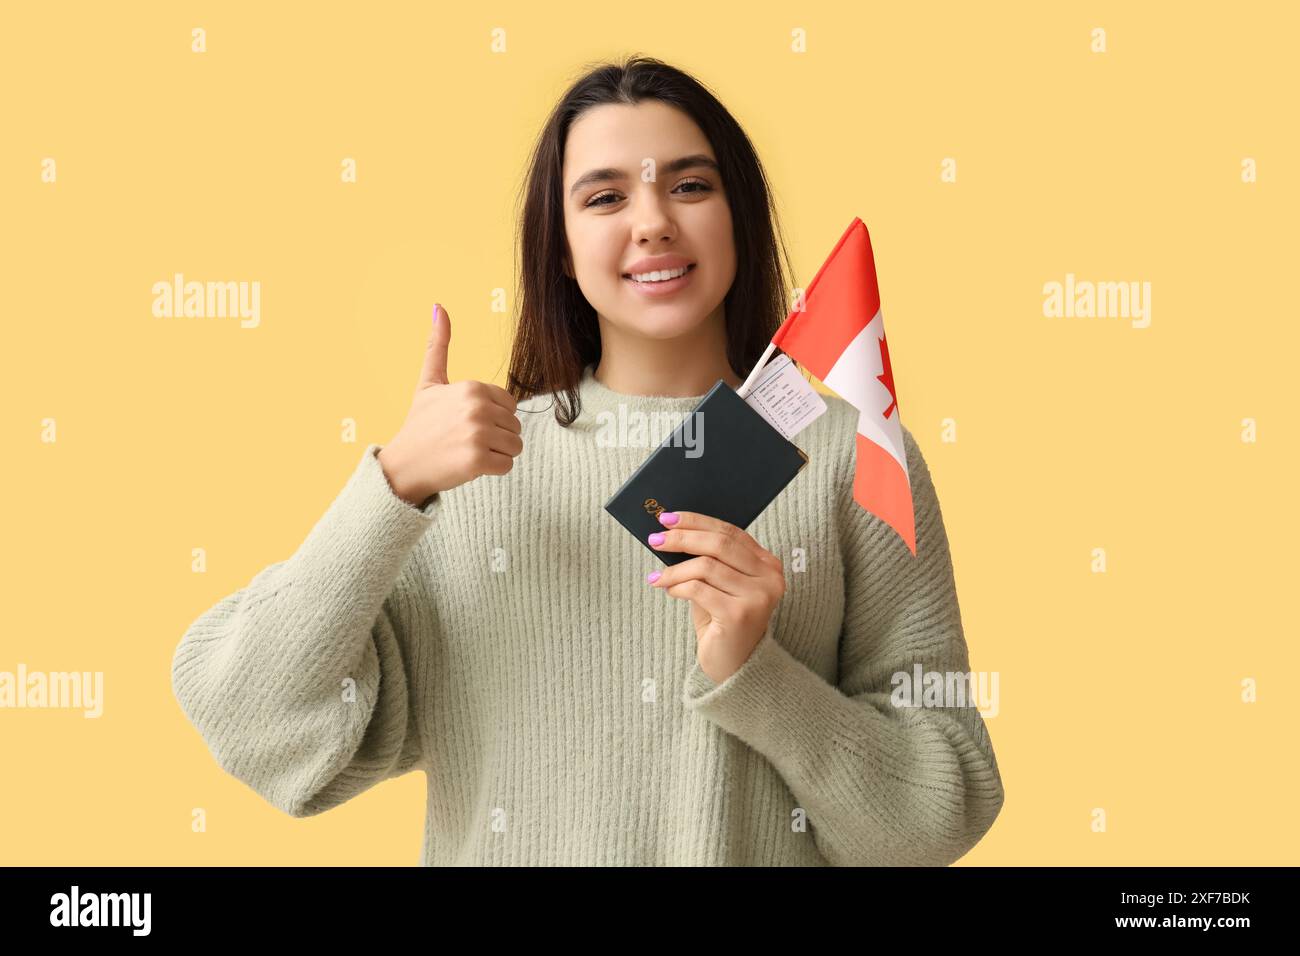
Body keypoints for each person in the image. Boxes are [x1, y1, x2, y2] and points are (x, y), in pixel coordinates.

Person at [170, 54, 1005, 866]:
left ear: (739, 217)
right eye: (605, 196)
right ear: (561, 247)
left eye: (689, 185)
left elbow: (939, 813)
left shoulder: (843, 456)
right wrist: (391, 485)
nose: (652, 221)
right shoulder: (465, 474)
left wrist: (763, 679)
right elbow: (251, 720)